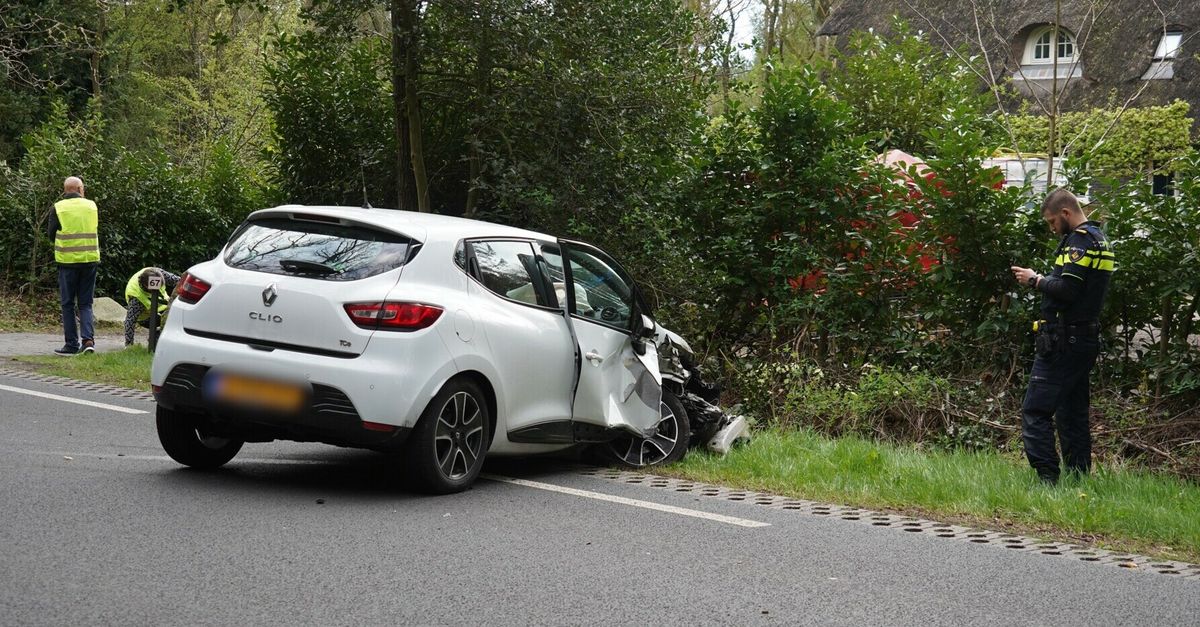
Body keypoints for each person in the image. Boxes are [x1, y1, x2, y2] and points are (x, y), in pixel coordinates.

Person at [1010, 188, 1116, 485]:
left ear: (1066, 213)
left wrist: (1035, 280)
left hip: (1065, 340)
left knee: (1035, 410)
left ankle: (1047, 478)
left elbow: (1068, 290)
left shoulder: (1080, 242)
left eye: (1053, 222)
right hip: (1082, 338)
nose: (1052, 228)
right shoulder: (1100, 239)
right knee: (1071, 413)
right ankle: (1078, 477)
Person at [47, 176, 100, 356]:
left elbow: (51, 234)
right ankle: (88, 341)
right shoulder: (92, 206)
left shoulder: (58, 207)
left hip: (68, 262)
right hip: (90, 260)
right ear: (79, 189)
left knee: (68, 303)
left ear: (65, 190)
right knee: (86, 303)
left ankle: (71, 345)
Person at [124, 267, 180, 346]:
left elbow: (179, 281)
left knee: (177, 316)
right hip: (146, 318)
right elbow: (130, 321)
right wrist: (129, 344)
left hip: (163, 307)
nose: (159, 288)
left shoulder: (158, 273)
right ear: (146, 285)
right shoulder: (136, 298)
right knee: (171, 321)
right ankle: (155, 338)